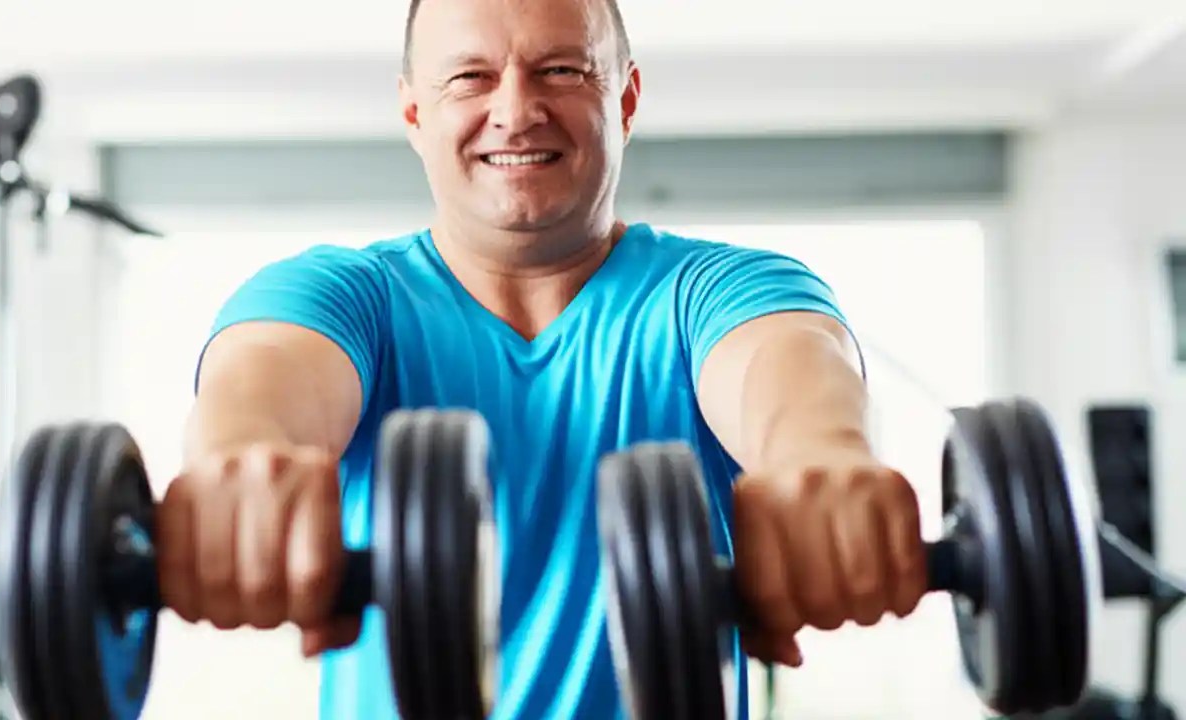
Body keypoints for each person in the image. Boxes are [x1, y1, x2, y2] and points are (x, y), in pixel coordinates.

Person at [157, 0, 928, 717]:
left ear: (624, 100)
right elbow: (265, 378)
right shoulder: (348, 295)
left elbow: (788, 365)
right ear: (414, 113)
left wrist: (818, 456)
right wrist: (240, 461)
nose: (517, 111)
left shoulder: (715, 291)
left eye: (562, 70)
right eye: (470, 76)